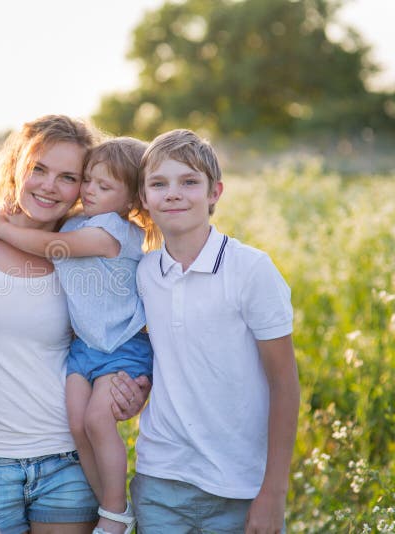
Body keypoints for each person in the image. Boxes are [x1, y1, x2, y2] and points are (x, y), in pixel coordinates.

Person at [0, 115, 151, 534]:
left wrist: (134, 386)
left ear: (84, 186)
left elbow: (137, 324)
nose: (49, 186)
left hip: (66, 462)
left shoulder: (89, 248)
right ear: (16, 165)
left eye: (68, 177)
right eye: (39, 169)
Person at [118, 129, 299, 533]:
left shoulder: (251, 270)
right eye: (159, 184)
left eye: (189, 182)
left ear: (215, 192)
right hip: (160, 481)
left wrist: (273, 493)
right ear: (144, 199)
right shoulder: (144, 272)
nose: (173, 193)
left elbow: (285, 383)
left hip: (240, 485)